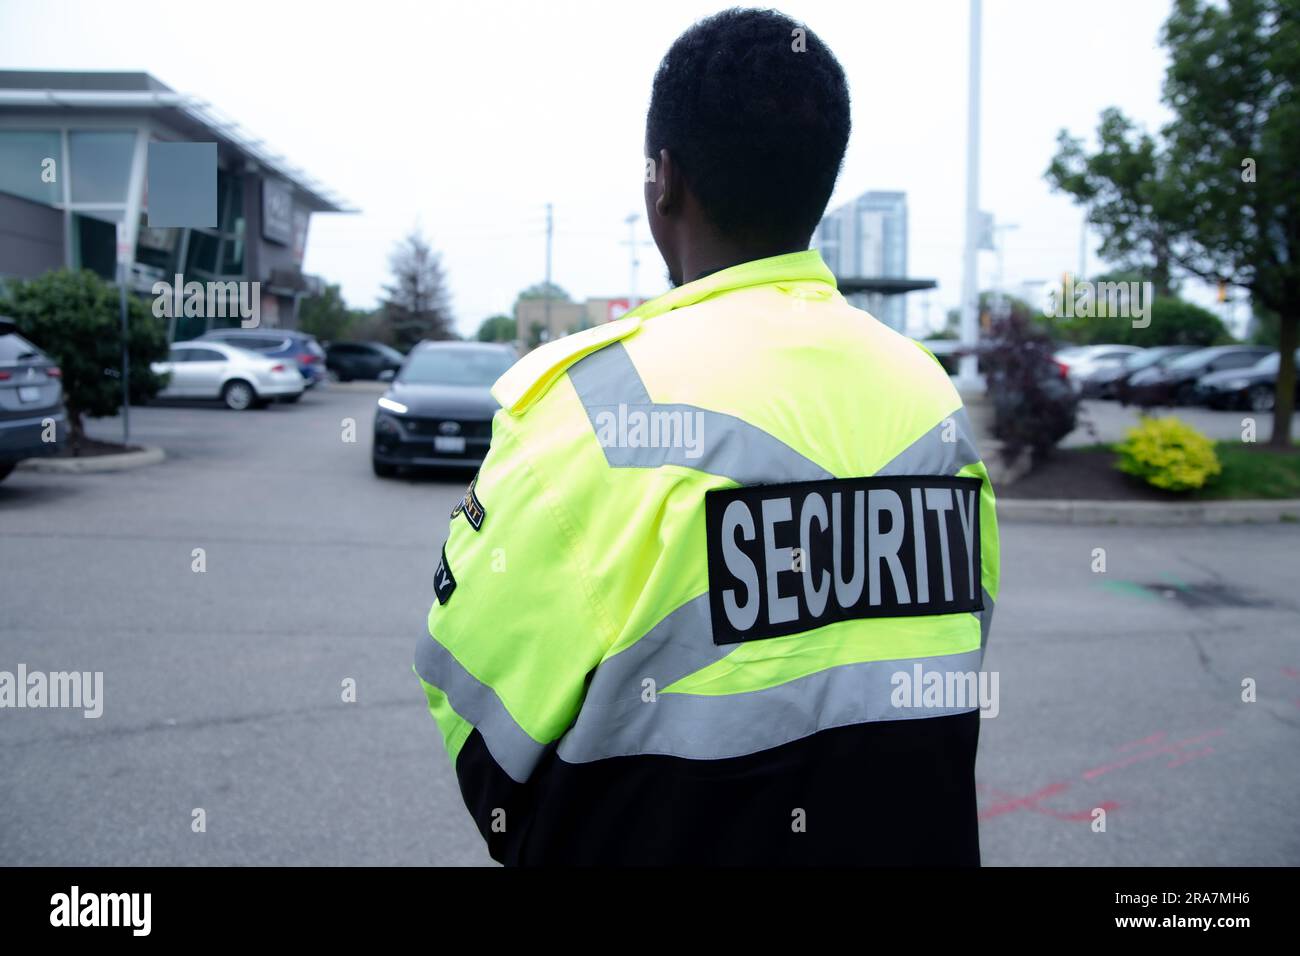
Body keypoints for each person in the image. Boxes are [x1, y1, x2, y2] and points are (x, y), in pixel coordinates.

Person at [415, 6, 999, 865]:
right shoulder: (929, 396)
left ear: (665, 183)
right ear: (820, 184)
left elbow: (476, 706)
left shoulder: (590, 404)